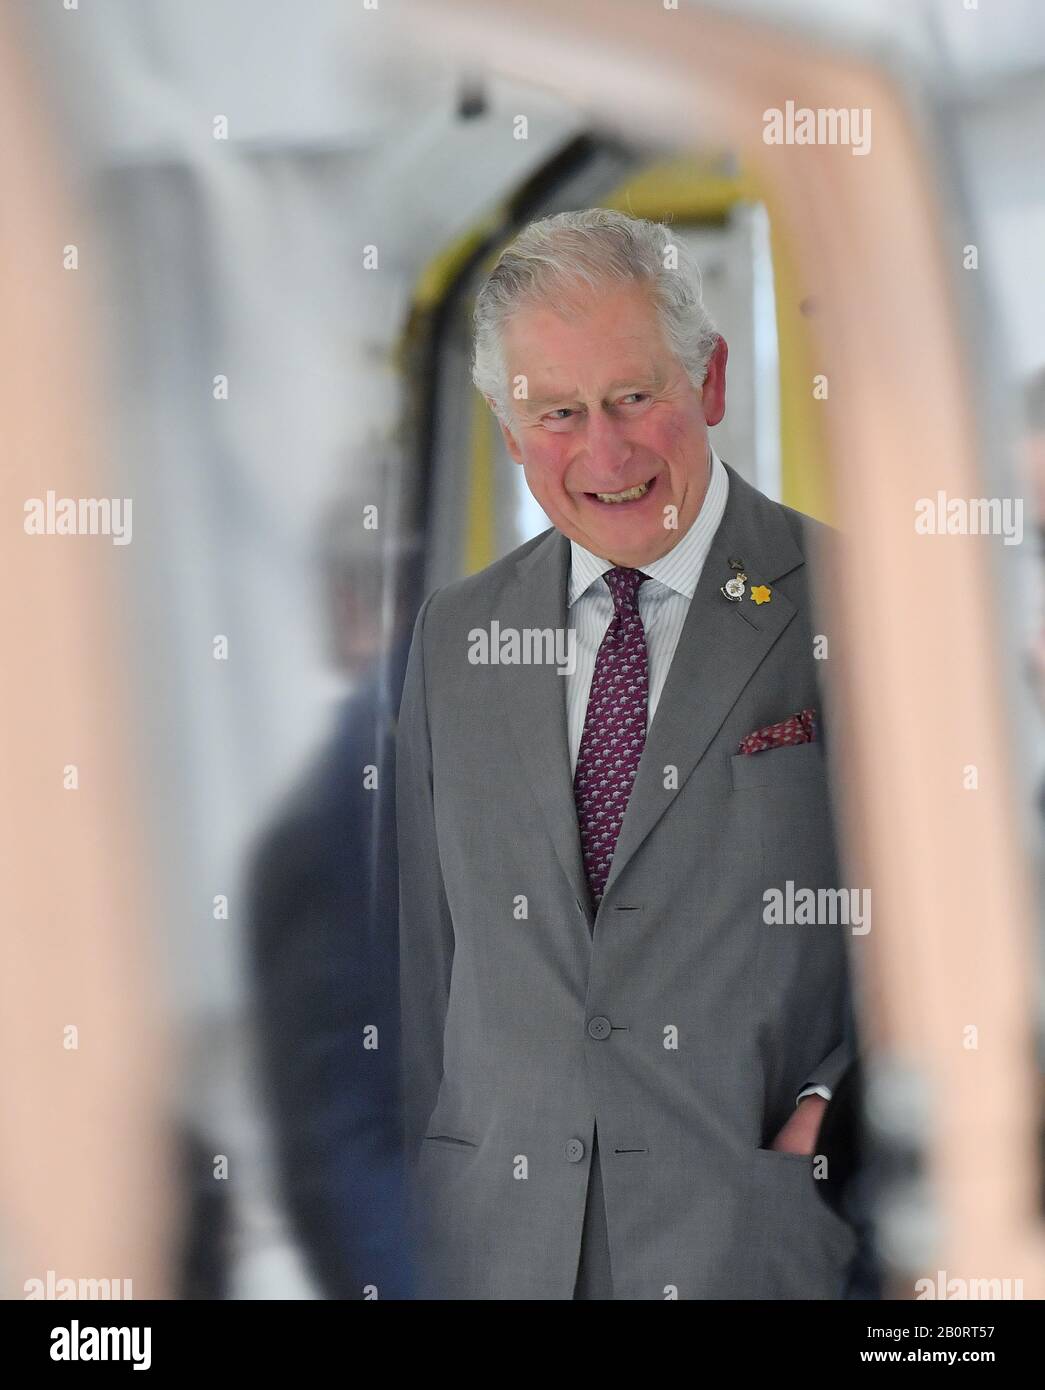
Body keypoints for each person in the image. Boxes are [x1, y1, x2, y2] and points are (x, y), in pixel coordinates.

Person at [397, 208, 857, 1299]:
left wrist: (846, 1106)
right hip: (496, 1245)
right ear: (509, 432)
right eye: (556, 412)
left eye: (632, 398)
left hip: (756, 1238)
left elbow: (966, 916)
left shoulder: (857, 601)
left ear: (709, 383)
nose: (602, 453)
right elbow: (418, 951)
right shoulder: (456, 637)